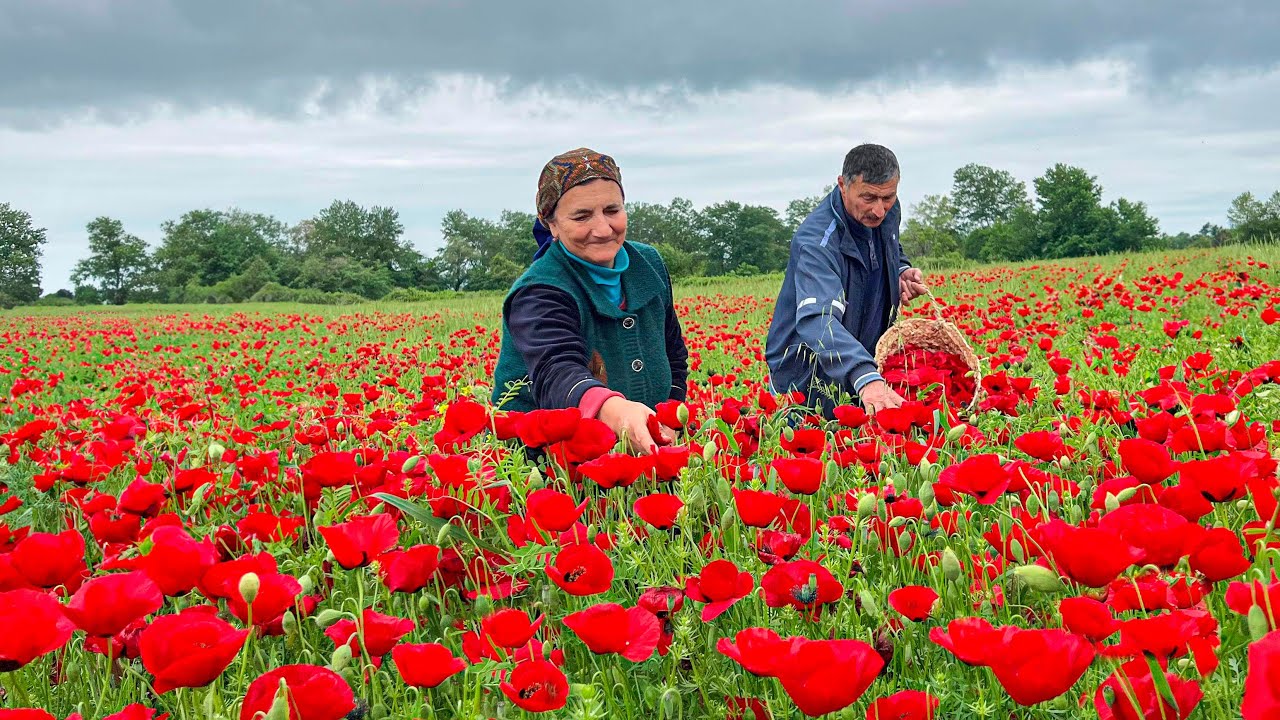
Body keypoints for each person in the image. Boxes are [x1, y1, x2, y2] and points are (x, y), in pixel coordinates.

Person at [492, 148, 689, 453]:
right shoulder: (540, 289)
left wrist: (669, 416)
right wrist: (615, 411)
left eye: (612, 210)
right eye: (582, 216)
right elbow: (555, 371)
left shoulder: (647, 263)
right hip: (554, 463)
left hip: (643, 447)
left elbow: (673, 352)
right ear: (552, 224)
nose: (602, 229)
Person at [765, 144, 929, 416]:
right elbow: (819, 319)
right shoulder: (817, 241)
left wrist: (900, 269)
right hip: (808, 379)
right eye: (868, 198)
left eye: (887, 198)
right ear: (843, 185)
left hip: (860, 363)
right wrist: (864, 375)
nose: (879, 211)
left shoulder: (888, 212)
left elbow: (889, 246)